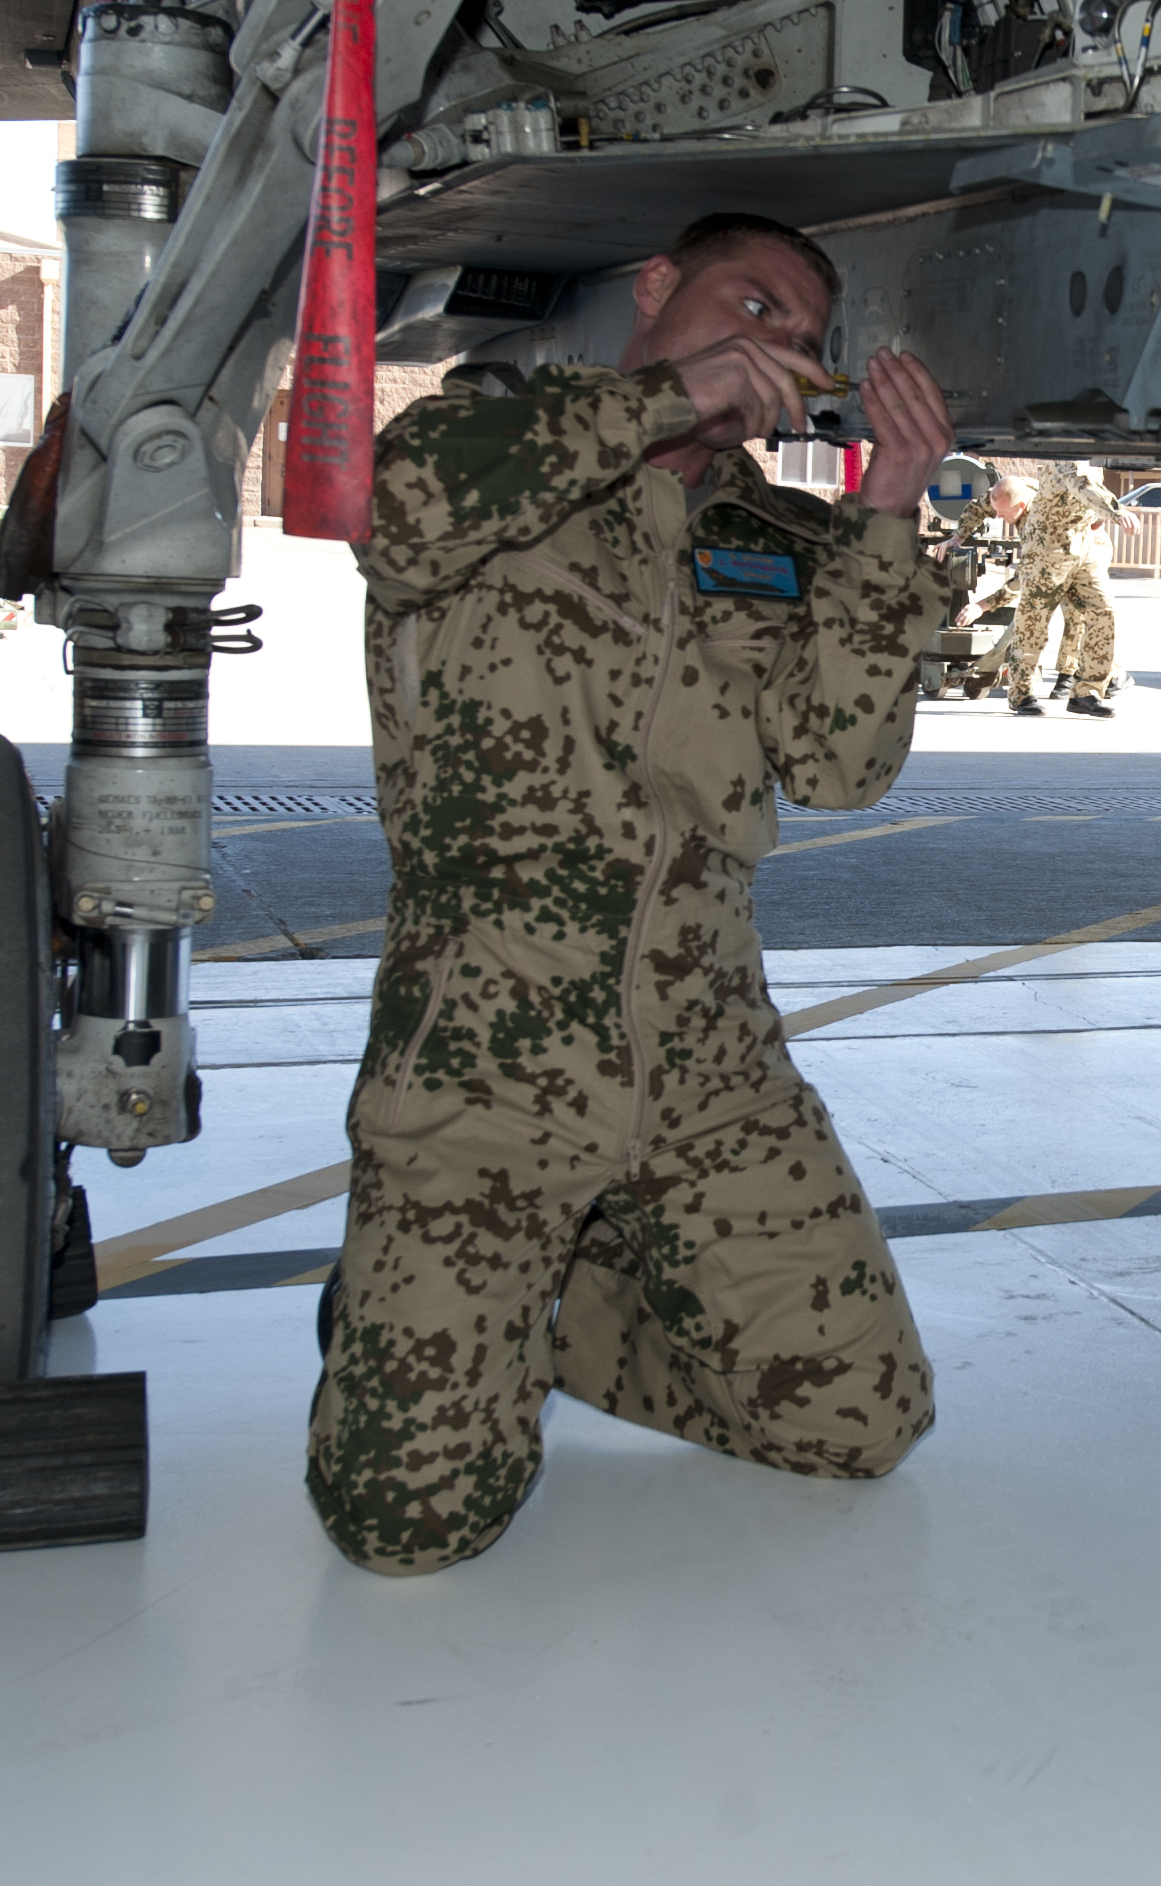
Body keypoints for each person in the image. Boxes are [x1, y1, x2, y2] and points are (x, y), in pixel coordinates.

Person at [307, 210, 962, 1575]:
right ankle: (435, 1314)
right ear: (658, 286)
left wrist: (886, 510)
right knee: (403, 1523)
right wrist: (674, 396)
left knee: (862, 1422)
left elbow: (841, 765)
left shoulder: (772, 535)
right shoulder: (484, 443)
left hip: (709, 1063)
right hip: (489, 1074)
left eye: (800, 334)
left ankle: (537, 1312)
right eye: (750, 301)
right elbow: (401, 520)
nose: (775, 342)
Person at [997, 457, 1121, 718]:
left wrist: (1096, 516)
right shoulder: (1066, 459)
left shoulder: (1093, 460)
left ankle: (1087, 693)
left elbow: (1086, 496)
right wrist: (1116, 511)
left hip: (1083, 548)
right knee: (1033, 625)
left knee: (1105, 612)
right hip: (1047, 551)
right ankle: (1021, 694)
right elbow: (1084, 486)